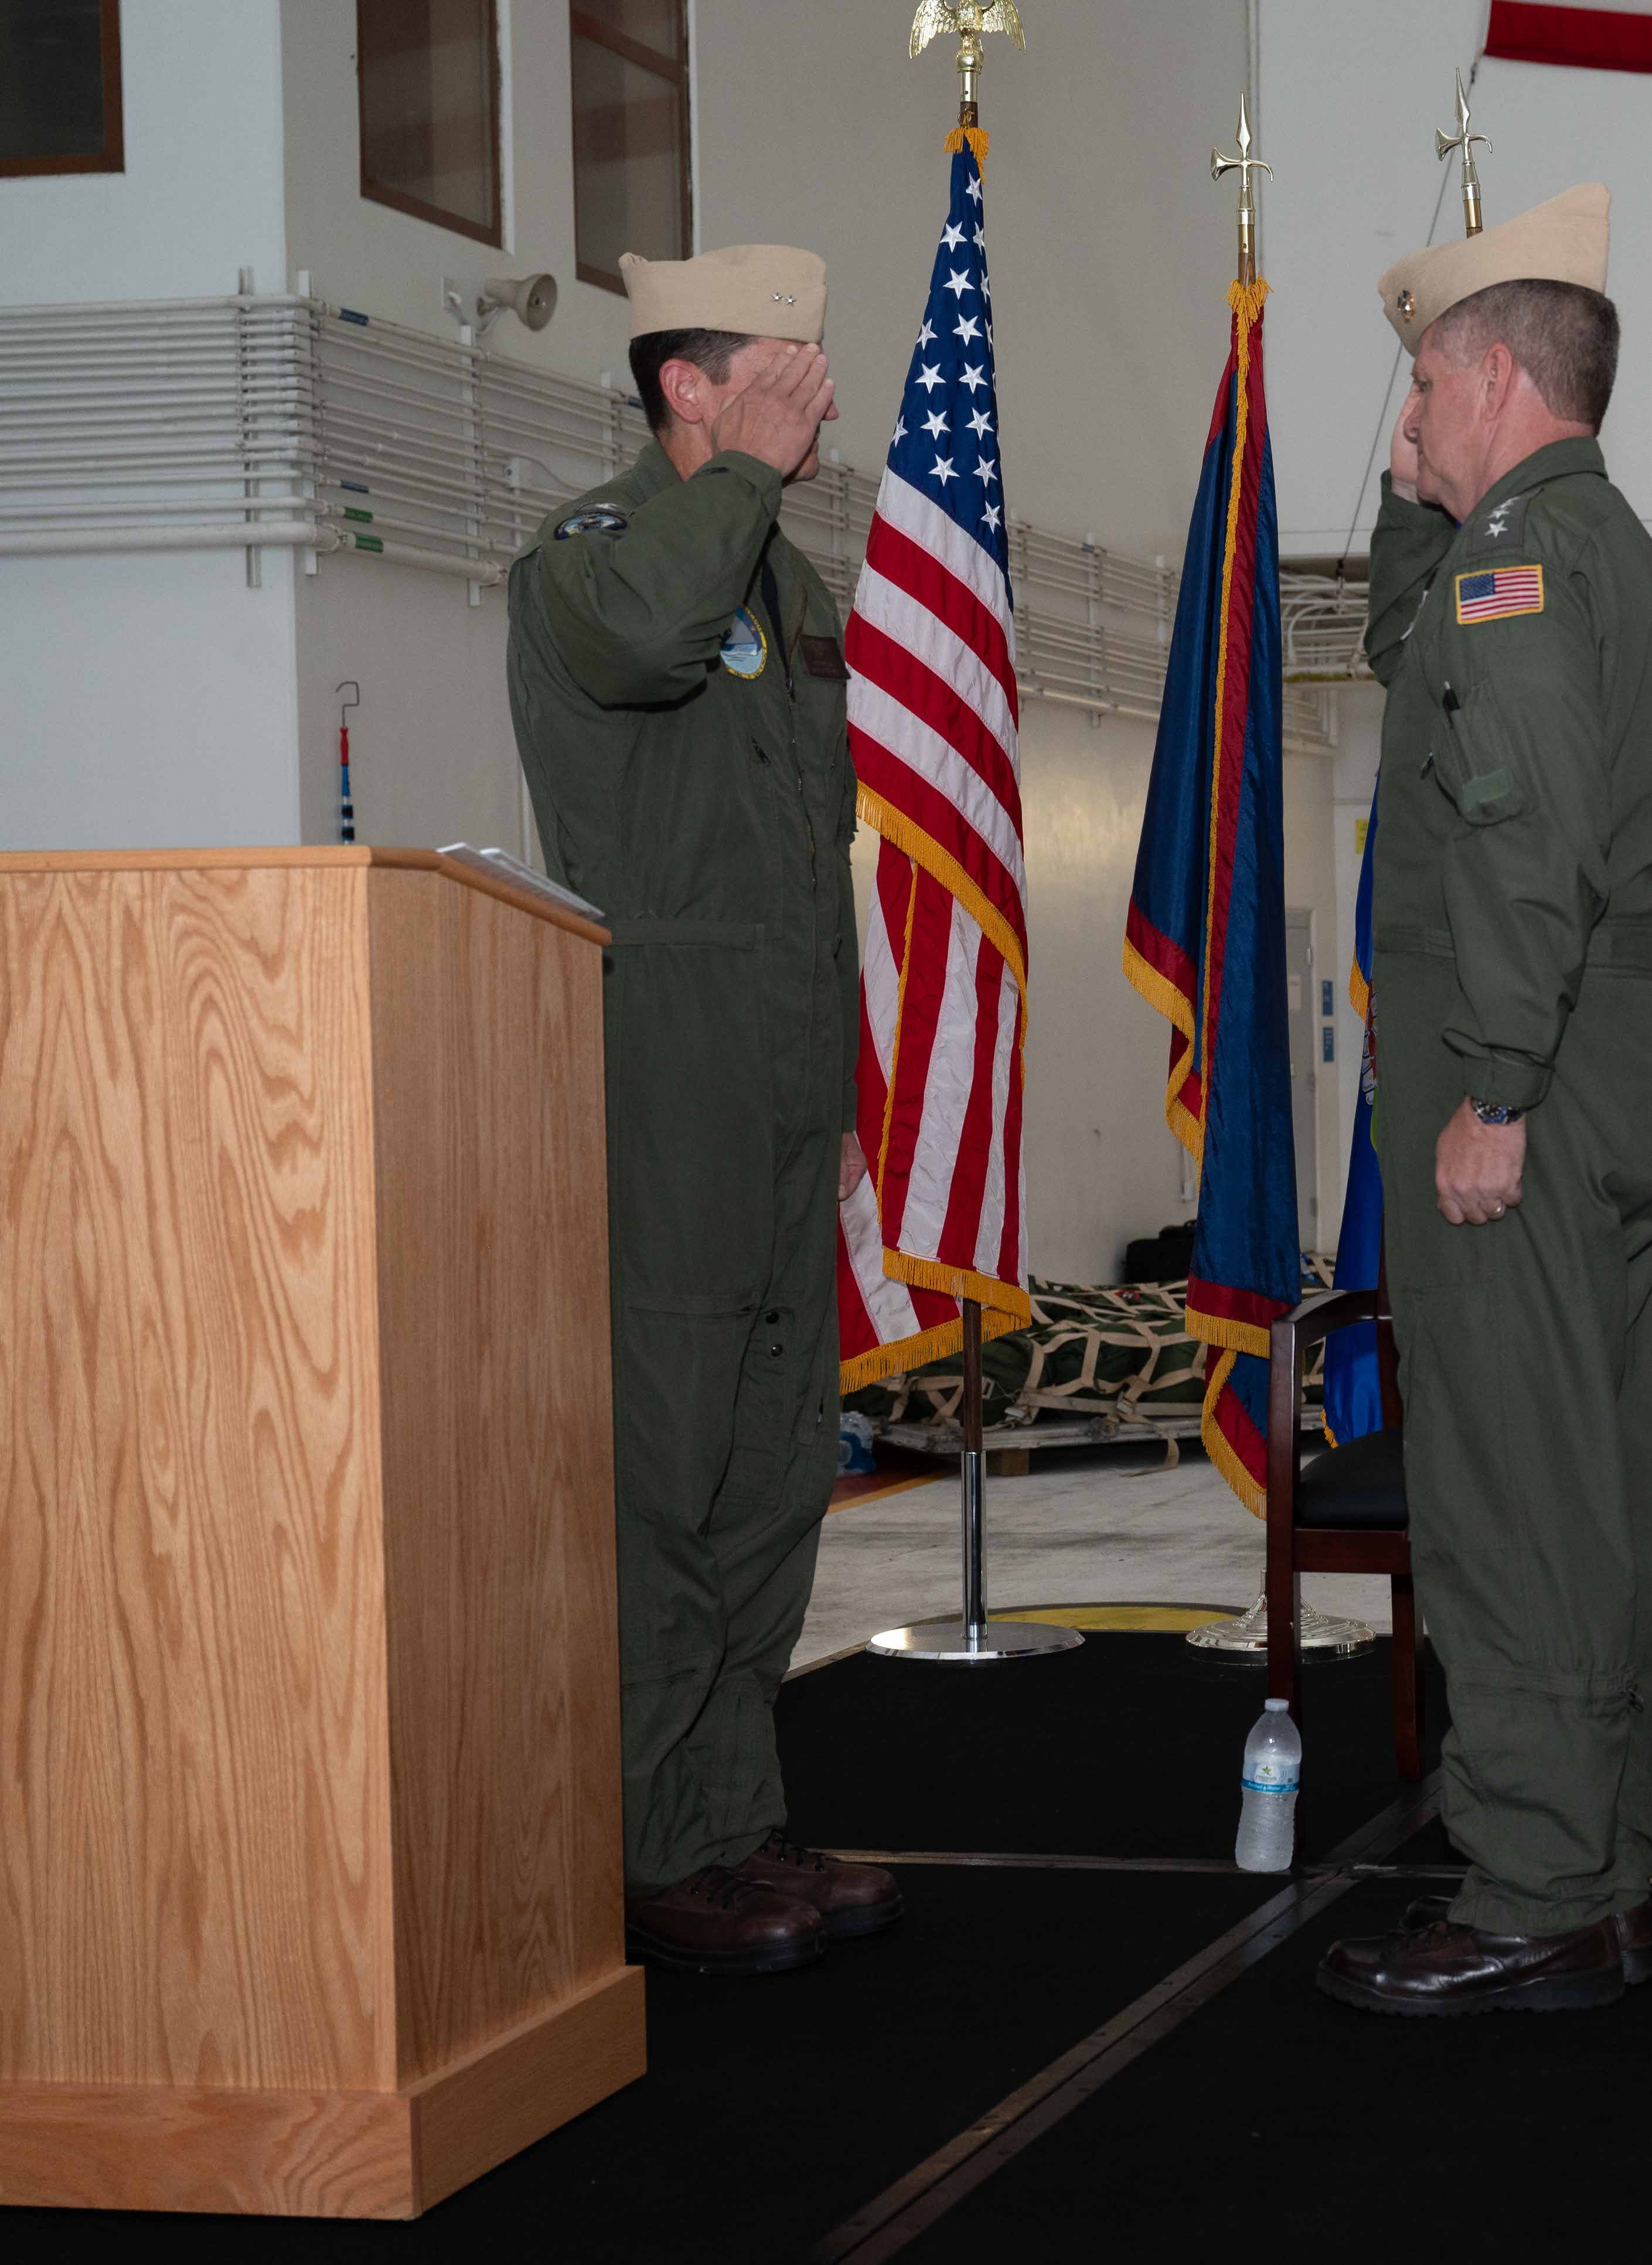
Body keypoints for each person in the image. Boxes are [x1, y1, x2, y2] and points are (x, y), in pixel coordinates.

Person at [1316, 186, 1652, 2015]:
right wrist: (1413, 513)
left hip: (1525, 1094)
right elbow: (1435, 692)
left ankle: (1534, 1885)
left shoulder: (1524, 566)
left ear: (1487, 375)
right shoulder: (1596, 550)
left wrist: (1490, 1089)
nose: (1410, 421)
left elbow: (1523, 844)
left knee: (1506, 1497)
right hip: (1605, 1079)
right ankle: (1603, 1866)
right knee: (1588, 1481)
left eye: (1418, 390)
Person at [506, 244, 900, 1974]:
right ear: (688, 382)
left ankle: (729, 1817)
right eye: (784, 364)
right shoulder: (593, 558)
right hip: (662, 1075)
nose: (815, 390)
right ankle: (651, 1838)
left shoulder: (784, 576)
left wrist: (837, 1088)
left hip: (780, 1087)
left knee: (768, 1472)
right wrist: (740, 472)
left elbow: (813, 857)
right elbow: (657, 646)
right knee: (665, 1475)